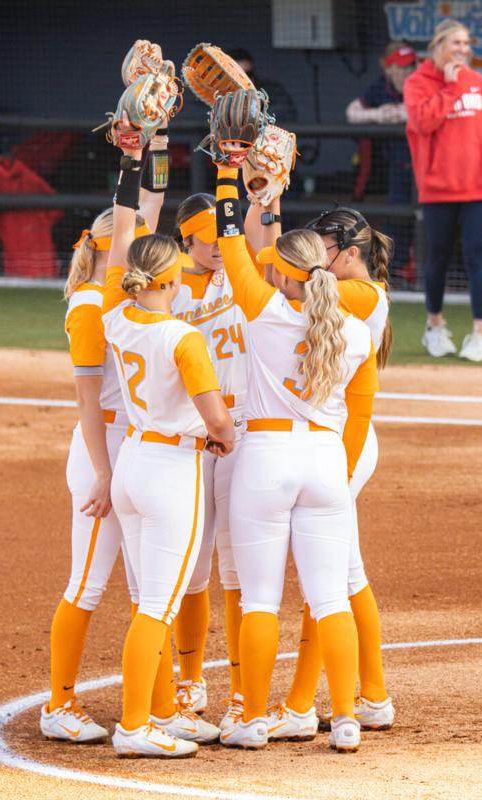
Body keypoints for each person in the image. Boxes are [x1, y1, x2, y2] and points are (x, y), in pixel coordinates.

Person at [213, 164, 376, 753]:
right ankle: (348, 719)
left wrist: (230, 174)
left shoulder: (262, 310)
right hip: (325, 460)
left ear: (282, 271)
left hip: (266, 457)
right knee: (330, 597)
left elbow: (231, 241)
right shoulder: (352, 331)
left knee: (259, 598)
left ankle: (253, 719)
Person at [101, 141, 237, 758]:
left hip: (131, 459)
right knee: (157, 602)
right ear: (174, 272)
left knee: (143, 599)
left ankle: (156, 713)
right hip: (171, 471)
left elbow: (126, 228)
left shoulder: (114, 316)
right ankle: (137, 726)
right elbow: (219, 421)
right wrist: (225, 433)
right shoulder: (183, 336)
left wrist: (144, 154)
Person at [267, 207, 396, 739]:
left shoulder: (365, 294)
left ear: (351, 253)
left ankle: (302, 705)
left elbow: (286, 278)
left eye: (325, 247)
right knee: (344, 575)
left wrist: (262, 231)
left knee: (329, 583)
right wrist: (266, 205)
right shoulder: (344, 286)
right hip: (334, 441)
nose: (317, 257)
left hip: (343, 444)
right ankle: (373, 697)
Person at [38, 207, 147, 745]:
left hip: (135, 446)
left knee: (145, 584)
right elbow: (86, 402)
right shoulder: (87, 306)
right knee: (87, 583)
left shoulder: (124, 299)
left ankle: (152, 701)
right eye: (136, 241)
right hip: (100, 447)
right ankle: (58, 704)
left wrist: (152, 149)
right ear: (111, 247)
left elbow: (141, 208)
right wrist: (104, 472)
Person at [166, 193, 251, 730]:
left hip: (241, 430)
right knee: (192, 567)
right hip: (194, 433)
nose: (219, 248)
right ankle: (189, 679)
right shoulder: (167, 284)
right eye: (207, 241)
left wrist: (241, 181)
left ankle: (244, 689)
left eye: (223, 238)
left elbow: (256, 239)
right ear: (184, 242)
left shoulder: (243, 269)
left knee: (239, 565)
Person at [404, 18, 482, 362]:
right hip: (438, 189)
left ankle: (481, 334)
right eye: (456, 44)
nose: (463, 50)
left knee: (476, 260)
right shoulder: (417, 83)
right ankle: (434, 326)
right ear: (438, 46)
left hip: (479, 189)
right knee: (436, 260)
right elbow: (422, 122)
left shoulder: (480, 84)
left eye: (467, 44)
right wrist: (449, 89)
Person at [346, 41, 417, 281]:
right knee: (397, 219)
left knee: (428, 222)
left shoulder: (423, 84)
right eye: (398, 66)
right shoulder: (380, 88)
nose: (404, 72)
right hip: (398, 167)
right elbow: (352, 112)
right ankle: (395, 274)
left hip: (428, 169)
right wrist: (379, 114)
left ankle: (421, 271)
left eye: (409, 66)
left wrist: (412, 112)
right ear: (388, 68)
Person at [227, 47, 298, 125]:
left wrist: (254, 112)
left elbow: (288, 114)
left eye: (248, 74)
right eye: (237, 75)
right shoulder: (217, 94)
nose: (244, 79)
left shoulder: (271, 91)